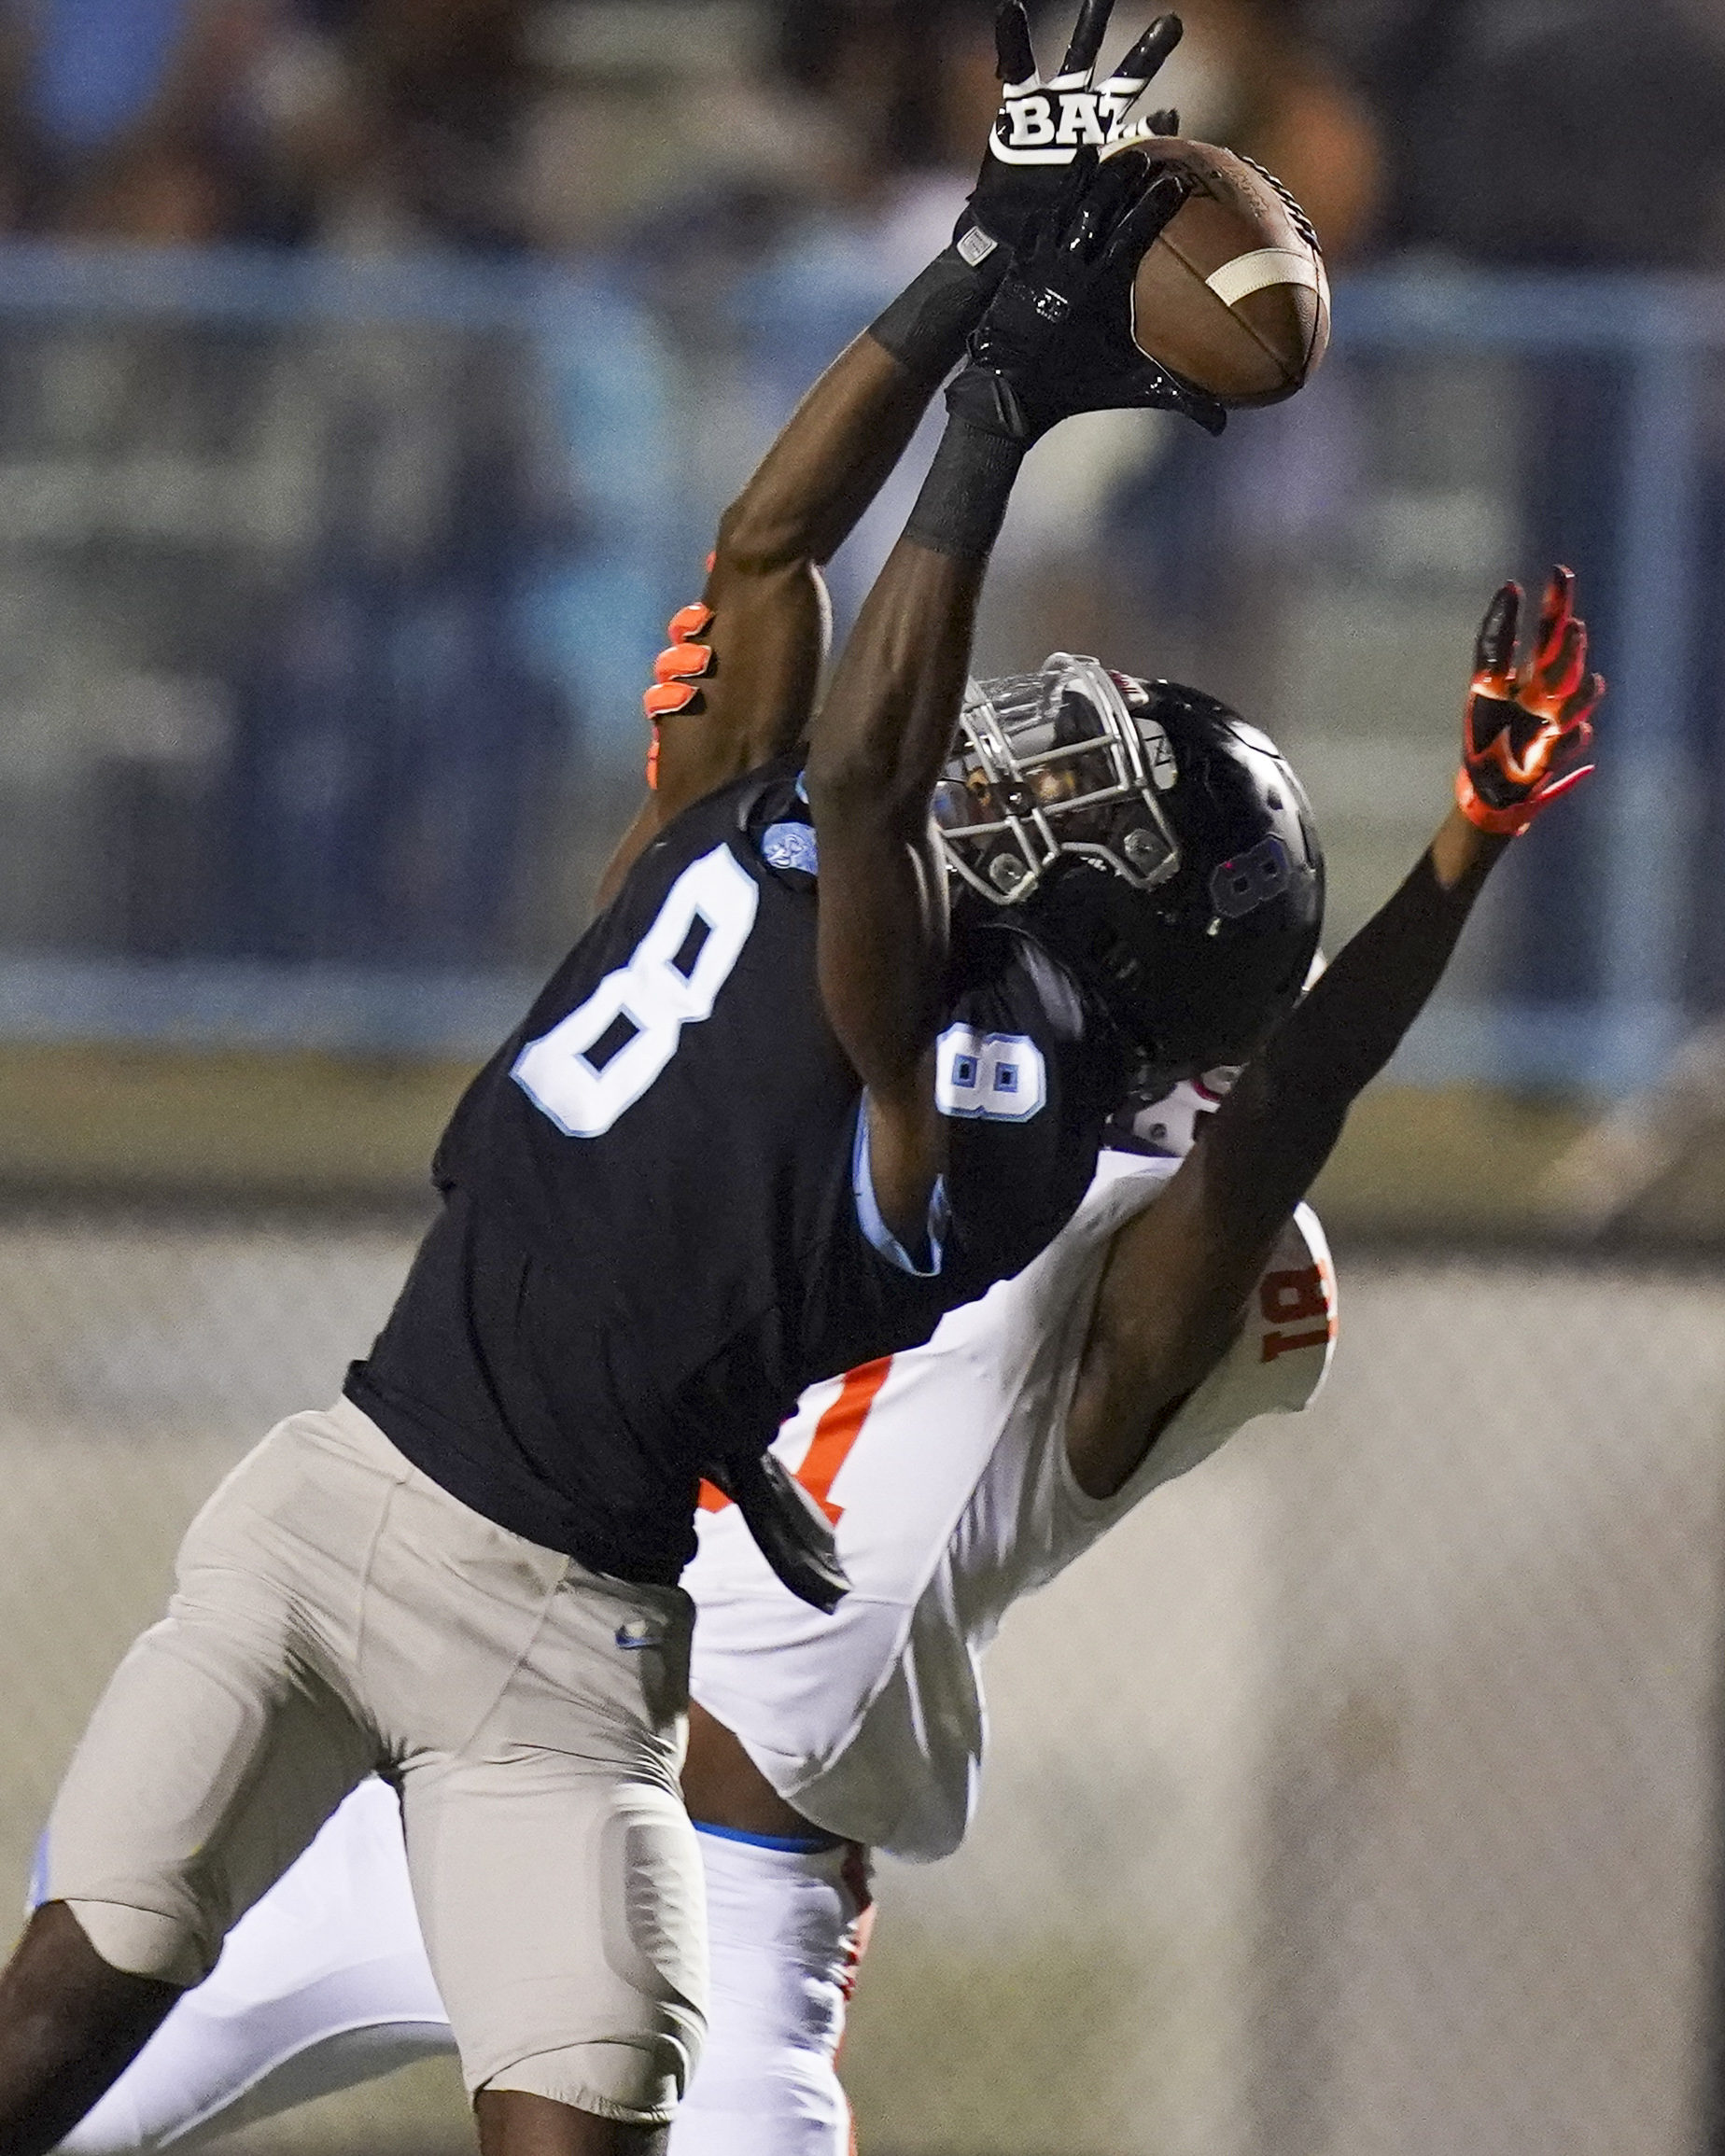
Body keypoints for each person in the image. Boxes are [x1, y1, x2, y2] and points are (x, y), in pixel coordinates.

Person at [0, 10, 1315, 2154]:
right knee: (58, 2028)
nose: (1037, 754)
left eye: (1098, 797)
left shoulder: (1006, 1108)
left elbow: (881, 784)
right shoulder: (804, 816)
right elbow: (769, 549)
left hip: (562, 1654)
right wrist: (982, 250)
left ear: (1133, 942)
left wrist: (999, 411)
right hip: (342, 1510)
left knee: (590, 2110)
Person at [40, 565, 1606, 2154]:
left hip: (732, 1896)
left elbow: (1272, 1126)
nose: (1014, 808)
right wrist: (699, 774)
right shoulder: (917, 1032)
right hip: (470, 1732)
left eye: (1081, 812)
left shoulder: (1140, 1244)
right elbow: (659, 999)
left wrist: (1463, 849)